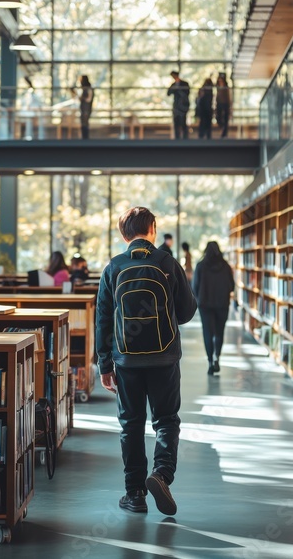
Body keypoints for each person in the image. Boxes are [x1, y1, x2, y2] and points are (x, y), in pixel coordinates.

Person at [96, 206, 196, 515]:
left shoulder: (113, 267)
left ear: (123, 234)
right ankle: (161, 474)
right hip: (164, 357)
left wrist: (104, 365)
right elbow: (187, 311)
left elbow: (103, 320)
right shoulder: (167, 262)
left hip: (126, 361)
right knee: (165, 419)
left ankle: (134, 494)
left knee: (131, 424)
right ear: (152, 229)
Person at [191, 241, 235, 375]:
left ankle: (210, 362)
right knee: (219, 332)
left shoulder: (200, 266)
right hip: (222, 304)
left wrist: (199, 298)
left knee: (207, 333)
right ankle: (217, 358)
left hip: (205, 305)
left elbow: (195, 287)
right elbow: (232, 286)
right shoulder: (226, 266)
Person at [167, 70, 190, 140]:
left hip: (183, 106)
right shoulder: (173, 85)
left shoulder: (185, 84)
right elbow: (168, 93)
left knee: (183, 122)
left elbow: (187, 92)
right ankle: (177, 138)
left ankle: (185, 138)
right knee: (176, 123)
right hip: (176, 106)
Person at [76, 75, 94, 139]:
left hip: (86, 109)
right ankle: (84, 138)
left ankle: (86, 139)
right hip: (83, 109)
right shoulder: (84, 88)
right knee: (83, 124)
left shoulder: (88, 88)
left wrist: (82, 98)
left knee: (85, 124)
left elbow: (88, 99)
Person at [215, 73, 231, 138]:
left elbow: (228, 96)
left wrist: (229, 105)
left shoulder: (226, 87)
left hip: (225, 104)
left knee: (225, 118)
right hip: (219, 104)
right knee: (218, 117)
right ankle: (222, 128)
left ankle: (224, 132)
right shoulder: (218, 87)